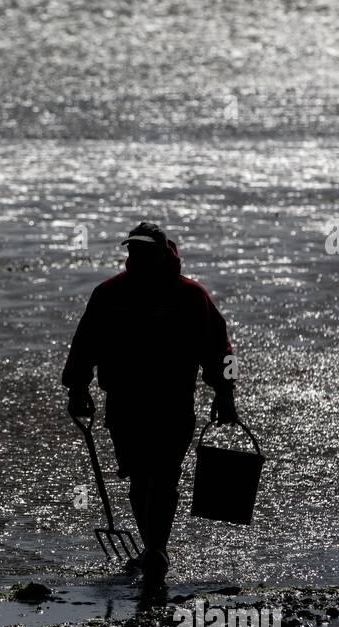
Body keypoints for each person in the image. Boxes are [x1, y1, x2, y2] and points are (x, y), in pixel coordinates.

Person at [63, 221, 238, 587]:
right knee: (141, 478)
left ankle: (156, 548)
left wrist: (226, 393)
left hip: (173, 403)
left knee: (164, 477)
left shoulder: (191, 296)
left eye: (145, 251)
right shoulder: (109, 294)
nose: (136, 257)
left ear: (164, 253)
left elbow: (220, 349)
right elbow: (84, 345)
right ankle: (153, 547)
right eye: (132, 251)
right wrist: (77, 388)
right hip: (125, 403)